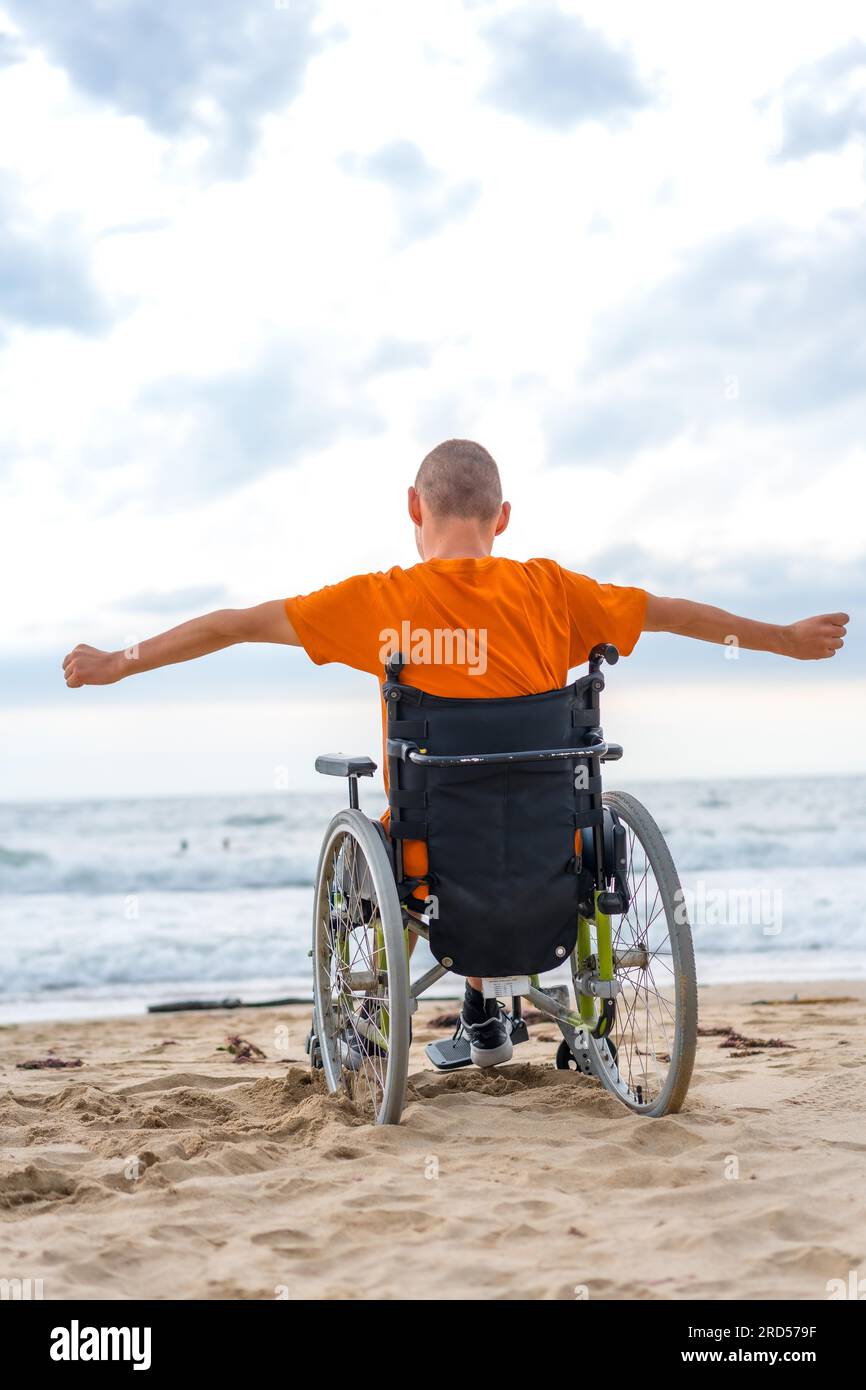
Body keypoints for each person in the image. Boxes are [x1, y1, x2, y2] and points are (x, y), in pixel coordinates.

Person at [63, 439, 849, 1067]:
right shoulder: (554, 592)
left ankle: (376, 1019)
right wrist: (784, 640)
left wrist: (117, 662)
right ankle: (490, 1010)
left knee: (410, 830)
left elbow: (233, 623)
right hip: (554, 848)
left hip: (426, 862)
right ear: (502, 516)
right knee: (505, 807)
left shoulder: (379, 602)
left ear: (414, 506)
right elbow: (674, 613)